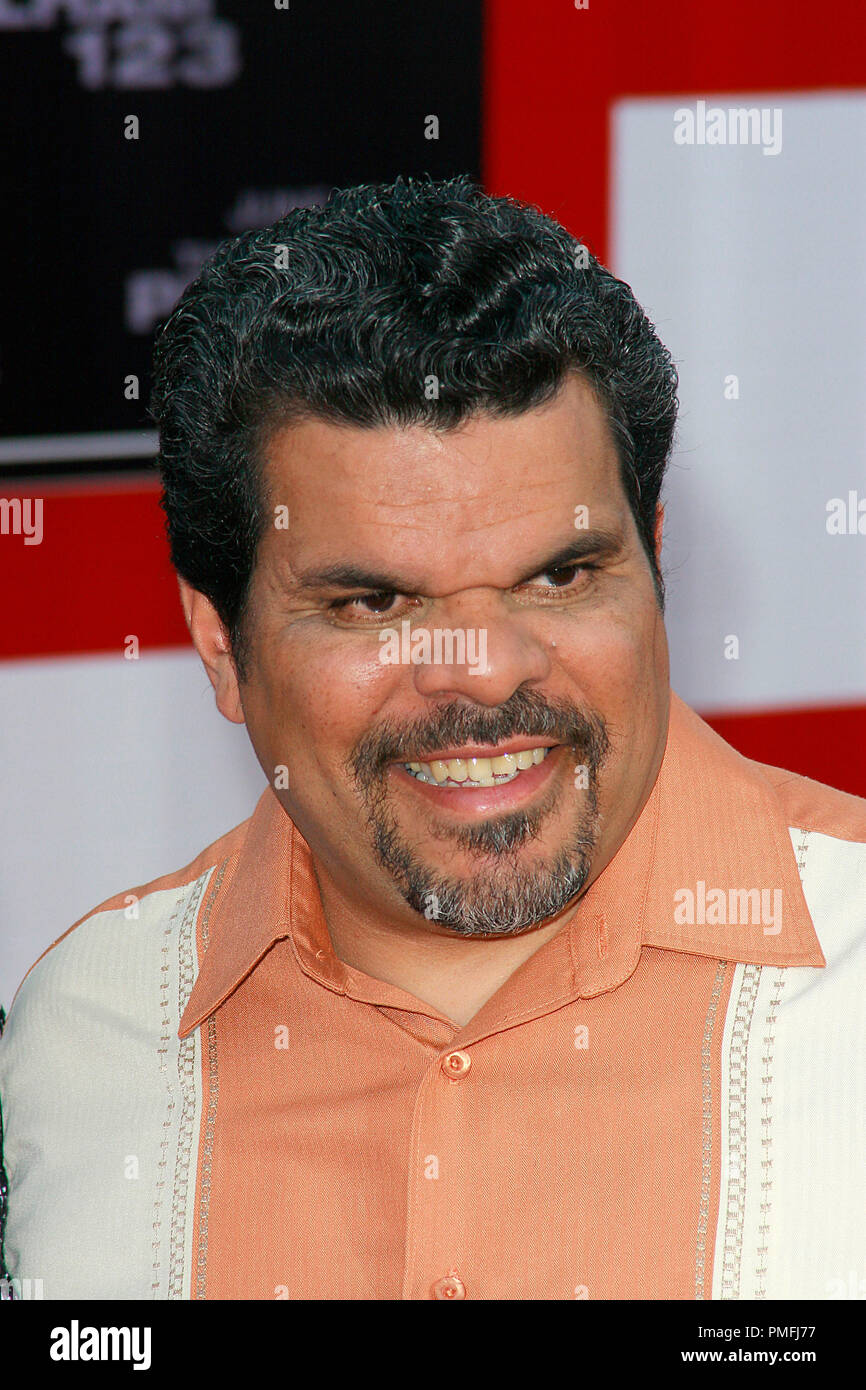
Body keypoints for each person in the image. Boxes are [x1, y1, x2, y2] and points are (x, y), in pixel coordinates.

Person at [1, 175, 864, 1301]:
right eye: (374, 604)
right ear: (219, 644)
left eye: (560, 575)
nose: (484, 669)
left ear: (654, 559)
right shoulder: (78, 1039)